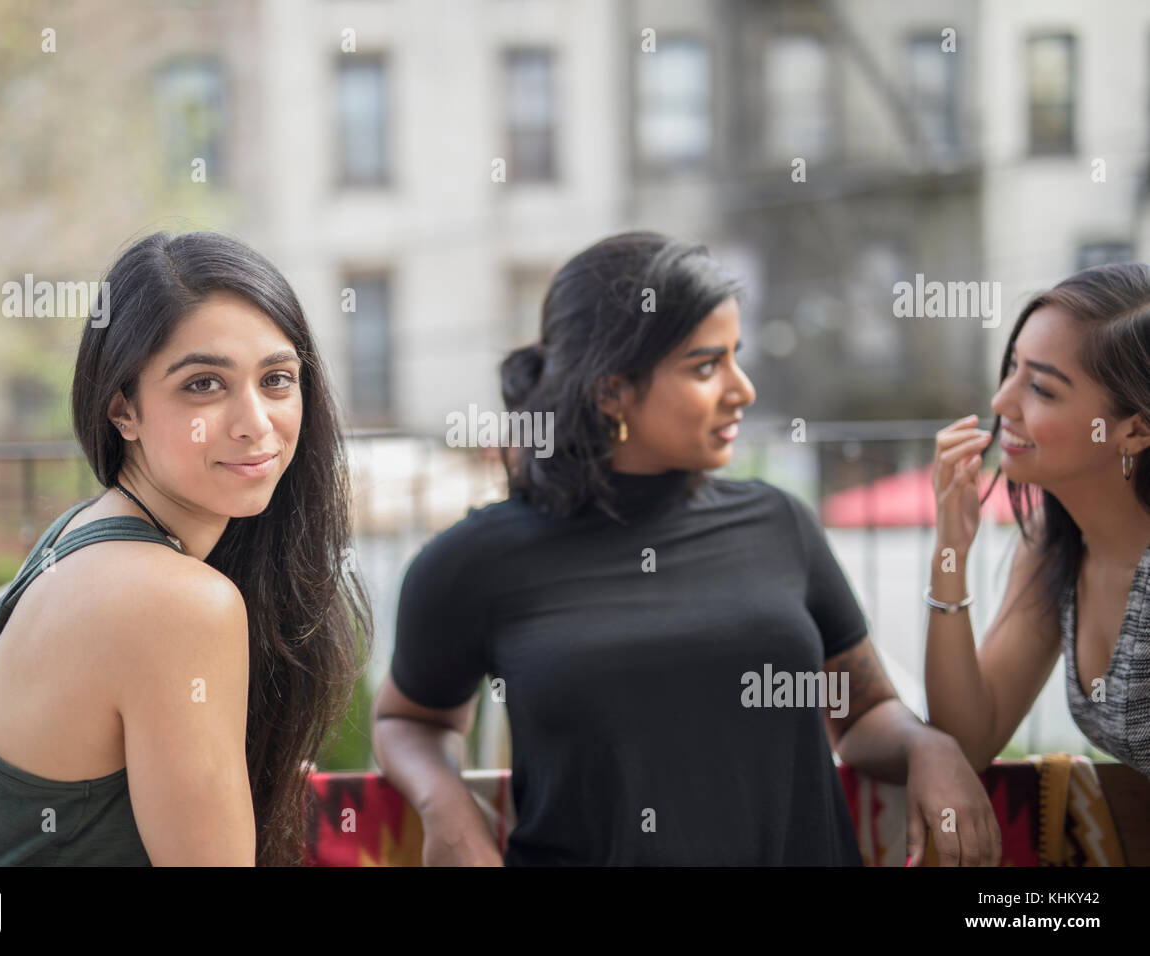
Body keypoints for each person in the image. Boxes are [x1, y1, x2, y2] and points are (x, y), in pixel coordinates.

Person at [372, 231, 999, 866]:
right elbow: (408, 721)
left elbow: (862, 716)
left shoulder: (780, 523)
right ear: (611, 390)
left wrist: (929, 748)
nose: (742, 389)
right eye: (706, 366)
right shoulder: (474, 560)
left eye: (736, 356)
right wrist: (445, 809)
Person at [0, 230, 370, 866]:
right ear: (122, 411)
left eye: (276, 379)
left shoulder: (82, 534)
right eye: (204, 385)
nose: (255, 422)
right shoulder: (174, 600)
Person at [925, 263, 1150, 780]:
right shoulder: (1054, 542)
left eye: (1042, 390)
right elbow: (968, 739)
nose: (1002, 402)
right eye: (1012, 369)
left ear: (1134, 430)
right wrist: (950, 553)